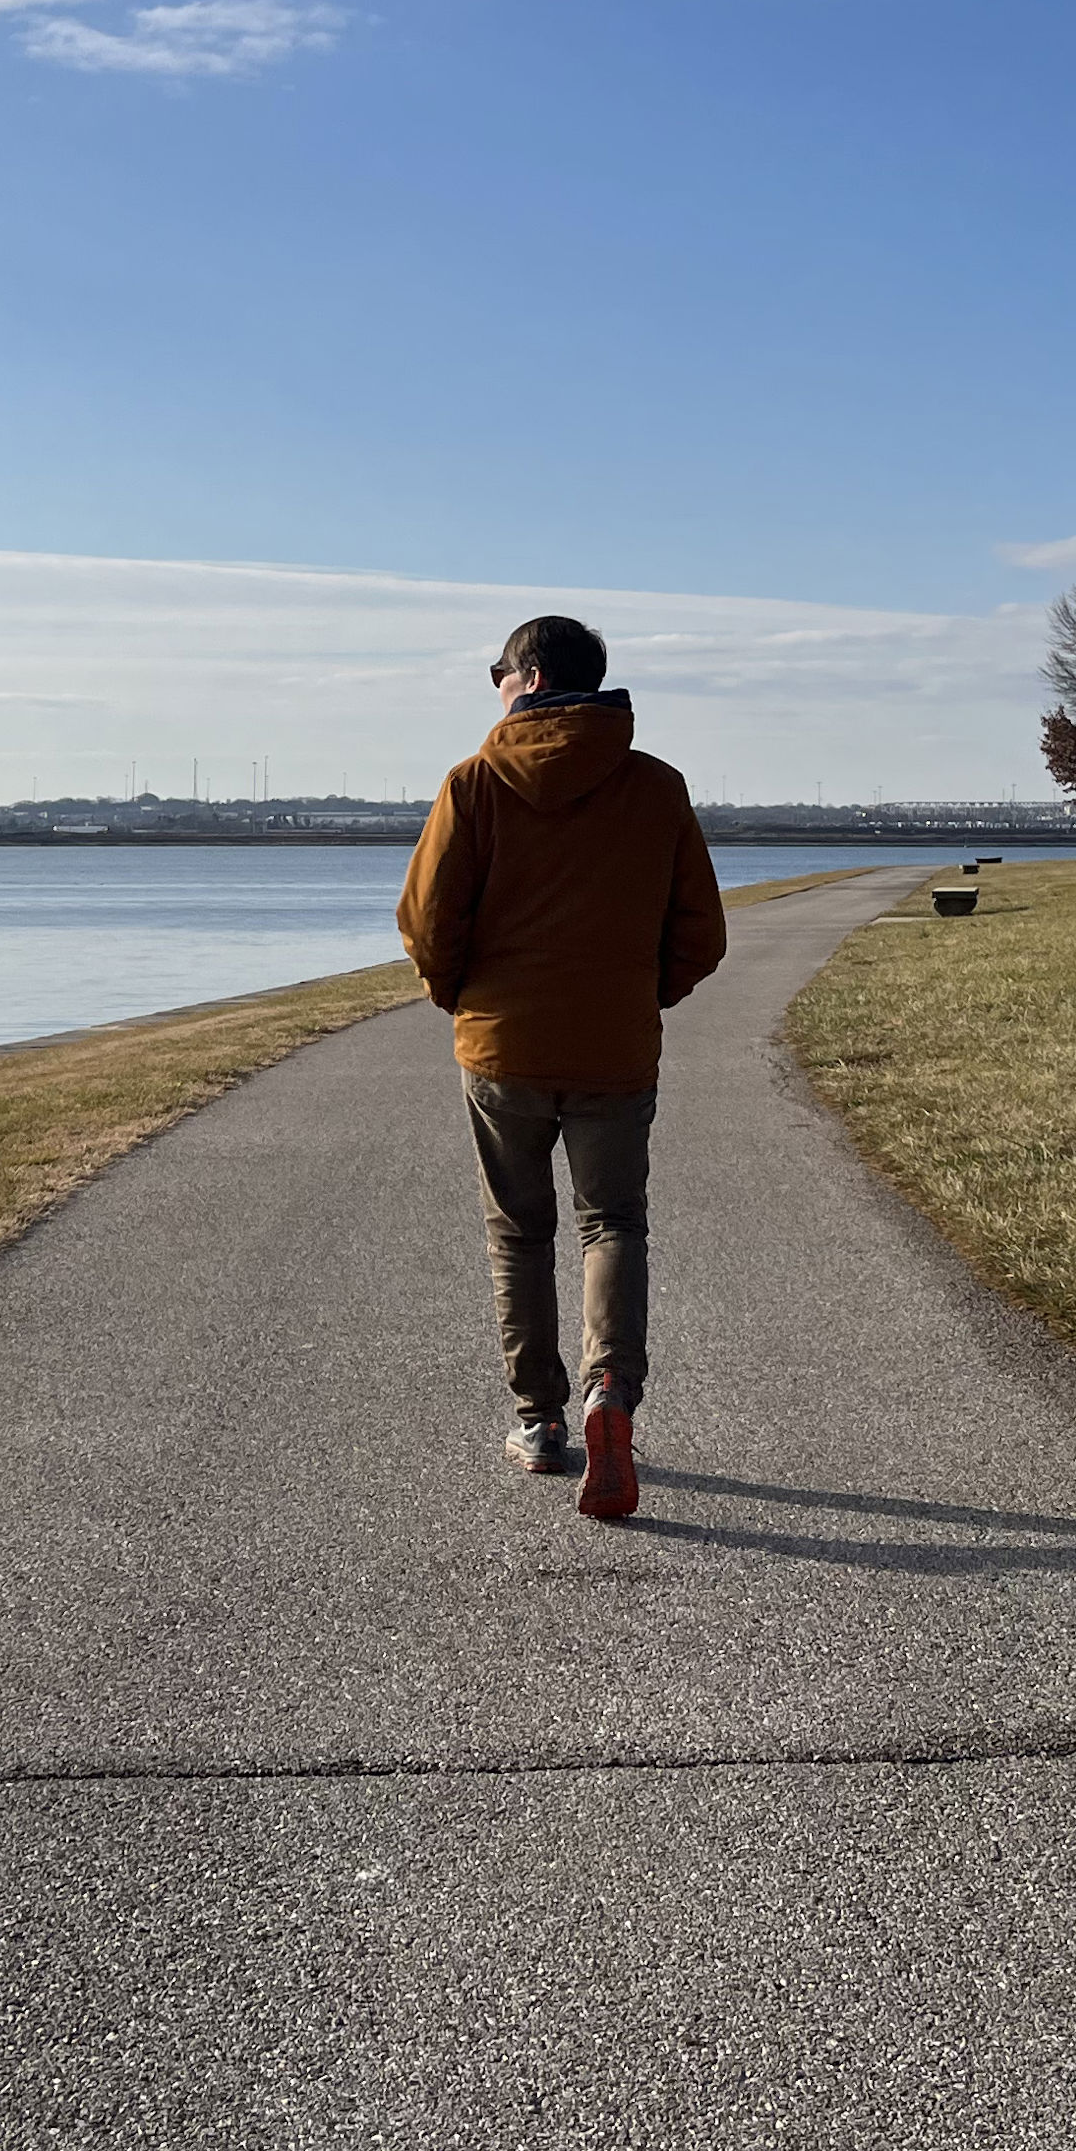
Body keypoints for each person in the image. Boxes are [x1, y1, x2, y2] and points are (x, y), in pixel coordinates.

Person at [396, 613, 727, 1521]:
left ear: (530, 678)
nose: (495, 687)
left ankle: (538, 1421)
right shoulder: (655, 788)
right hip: (614, 1047)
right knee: (611, 1221)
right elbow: (701, 930)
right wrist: (640, 993)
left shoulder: (474, 784)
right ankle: (609, 1393)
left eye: (498, 673)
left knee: (518, 1231)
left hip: (502, 1046)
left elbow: (427, 923)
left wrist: (458, 996)